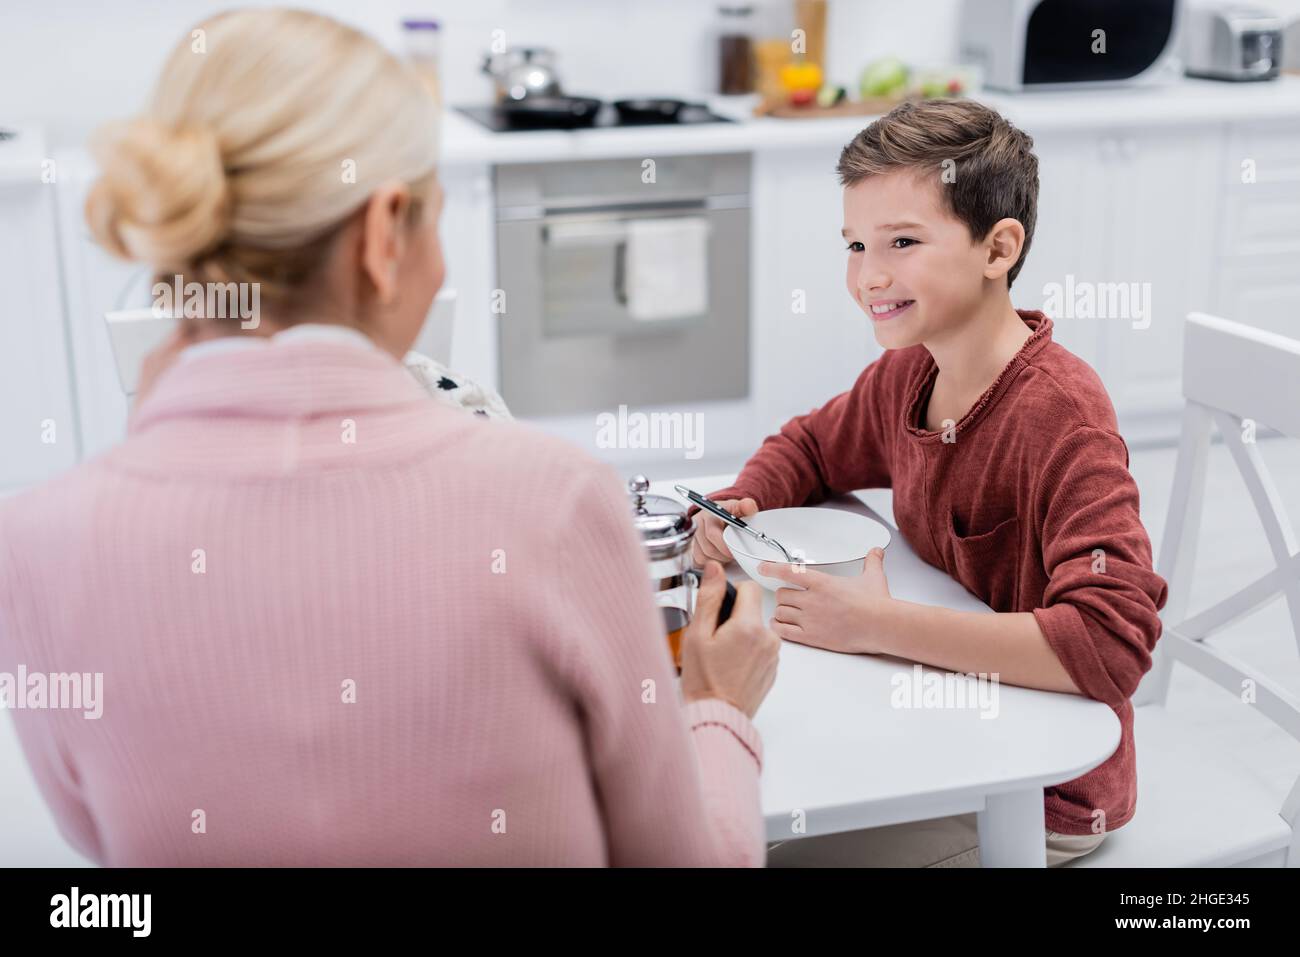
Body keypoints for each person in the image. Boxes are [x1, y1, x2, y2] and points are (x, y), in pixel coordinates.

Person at [0, 8, 778, 866]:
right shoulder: (553, 502)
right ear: (382, 236)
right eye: (433, 220)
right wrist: (717, 705)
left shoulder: (30, 546)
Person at [691, 99, 1167, 867]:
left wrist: (878, 626)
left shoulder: (1061, 415)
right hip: (949, 736)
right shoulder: (912, 370)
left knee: (760, 842)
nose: (868, 275)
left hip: (1041, 792)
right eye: (855, 244)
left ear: (998, 248)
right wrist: (746, 500)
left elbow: (1113, 643)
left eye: (903, 241)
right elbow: (812, 446)